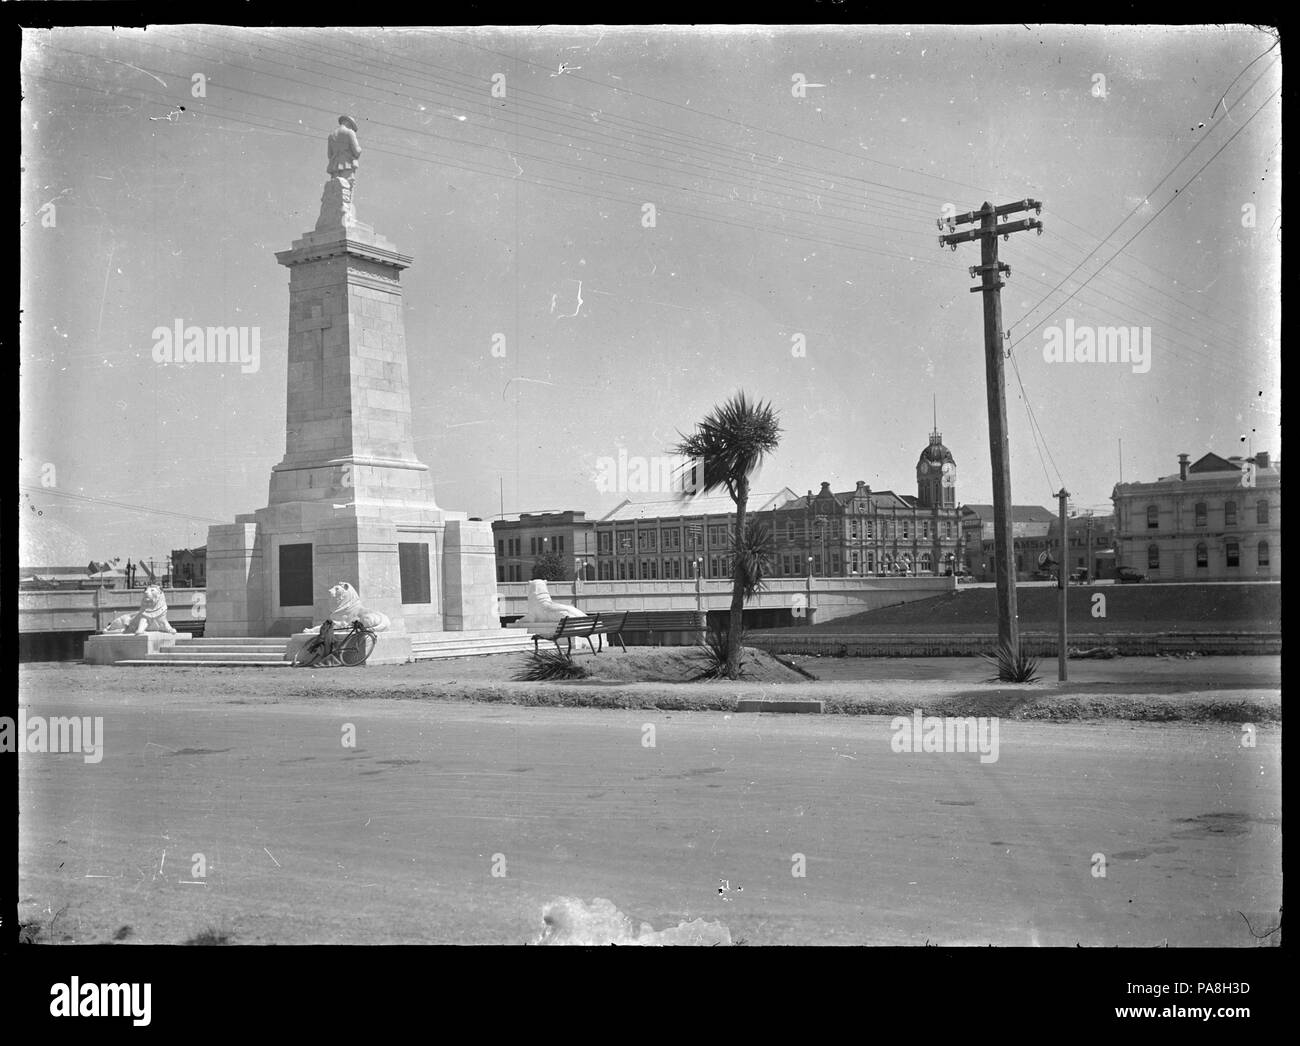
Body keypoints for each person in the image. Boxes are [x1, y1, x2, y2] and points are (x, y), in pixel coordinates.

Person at [327, 115, 361, 181]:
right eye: (352, 127)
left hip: (334, 167)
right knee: (347, 187)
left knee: (335, 187)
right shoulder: (349, 132)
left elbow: (329, 155)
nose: (351, 129)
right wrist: (360, 149)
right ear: (348, 123)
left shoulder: (331, 135)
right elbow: (356, 152)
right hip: (347, 165)